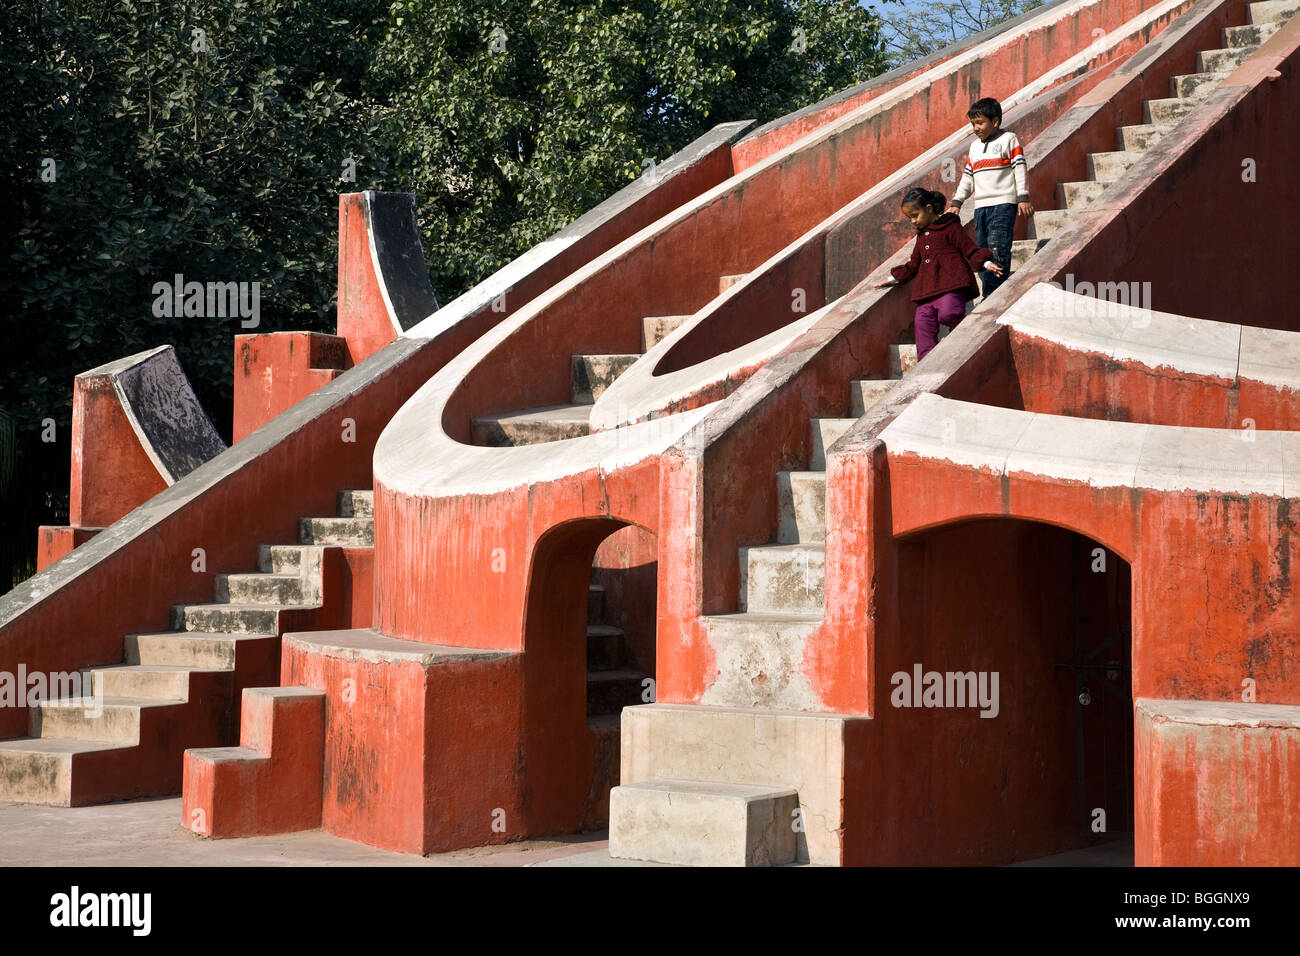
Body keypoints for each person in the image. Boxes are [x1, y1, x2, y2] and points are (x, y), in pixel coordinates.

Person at [877, 186, 1003, 360]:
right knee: (922, 326)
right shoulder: (922, 236)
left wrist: (986, 262)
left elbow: (969, 248)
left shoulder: (951, 226)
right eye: (909, 218)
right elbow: (913, 264)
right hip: (926, 291)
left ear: (929, 209)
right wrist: (893, 278)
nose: (913, 221)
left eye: (915, 215)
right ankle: (926, 362)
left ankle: (962, 338)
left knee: (949, 313)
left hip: (951, 284)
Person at [945, 97, 1033, 299]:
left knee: (997, 247)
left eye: (980, 123)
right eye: (973, 124)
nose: (975, 128)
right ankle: (990, 292)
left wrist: (1023, 197)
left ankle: (993, 295)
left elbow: (1019, 167)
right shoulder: (975, 147)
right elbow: (968, 177)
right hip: (981, 207)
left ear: (995, 121)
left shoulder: (1009, 139)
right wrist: (957, 202)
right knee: (982, 252)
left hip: (1003, 204)